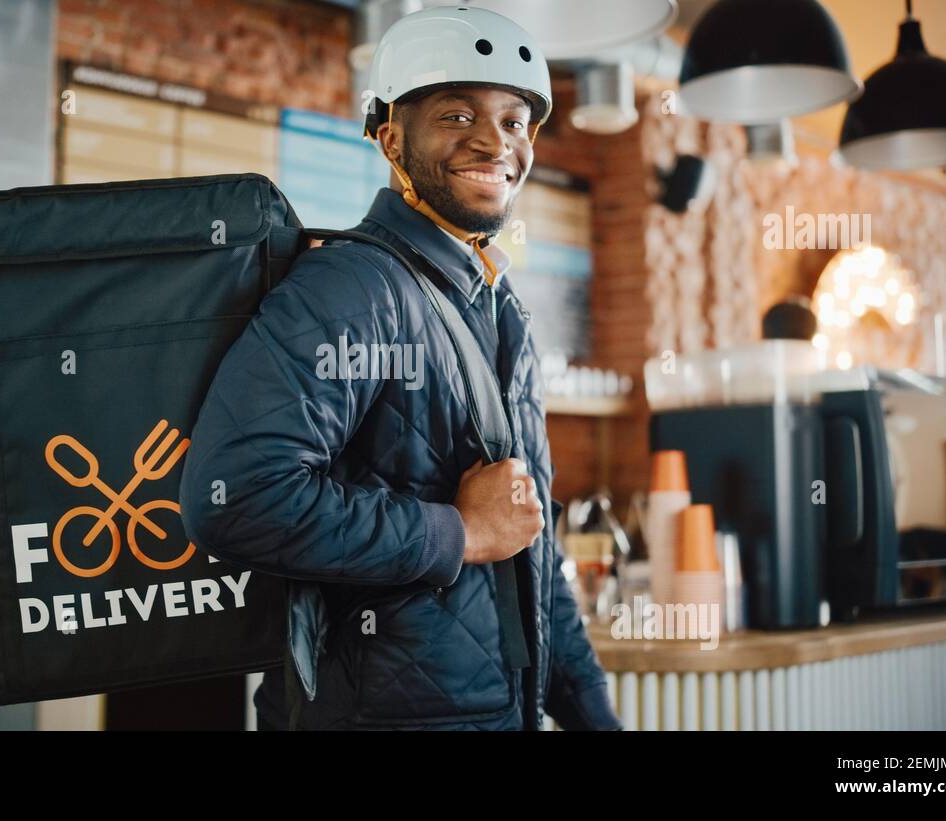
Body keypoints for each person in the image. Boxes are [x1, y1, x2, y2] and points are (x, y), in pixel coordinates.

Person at [180, 5, 620, 731]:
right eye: (456, 114)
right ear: (390, 138)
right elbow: (235, 497)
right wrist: (460, 533)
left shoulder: (501, 307)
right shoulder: (352, 287)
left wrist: (596, 718)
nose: (494, 140)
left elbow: (529, 547)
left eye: (515, 121)